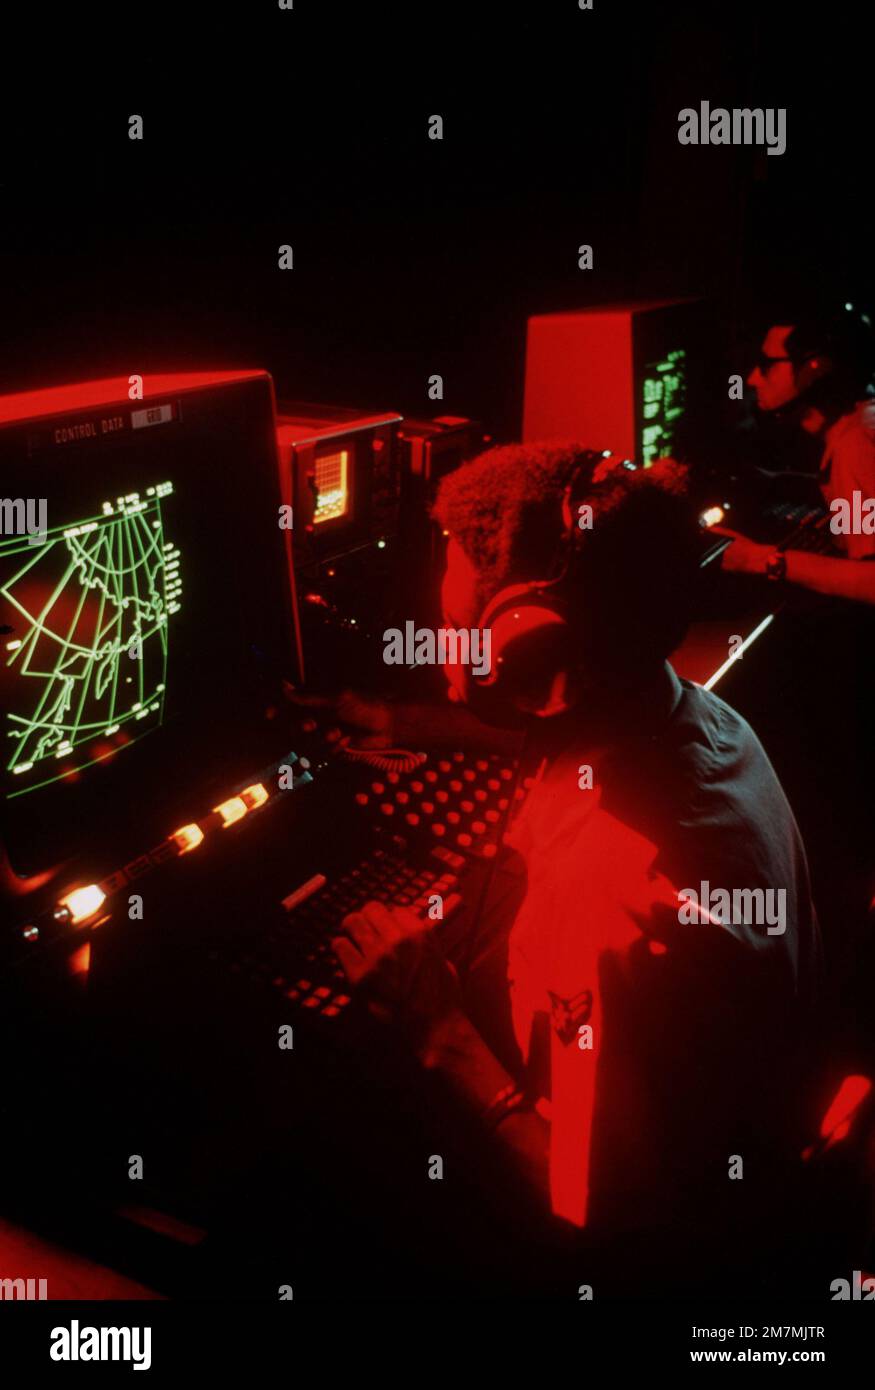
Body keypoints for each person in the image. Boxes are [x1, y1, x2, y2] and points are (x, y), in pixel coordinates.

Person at [327, 443, 823, 1292]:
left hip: (668, 1256)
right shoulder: (705, 717)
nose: (446, 629)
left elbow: (589, 1212)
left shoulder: (610, 897)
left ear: (526, 640)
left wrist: (435, 1025)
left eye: (461, 620)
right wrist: (405, 719)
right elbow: (562, 721)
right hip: (753, 1120)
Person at [716, 304, 875, 600]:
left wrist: (758, 559)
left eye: (767, 365)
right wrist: (779, 483)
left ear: (814, 370)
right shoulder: (863, 423)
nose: (751, 379)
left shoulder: (855, 446)